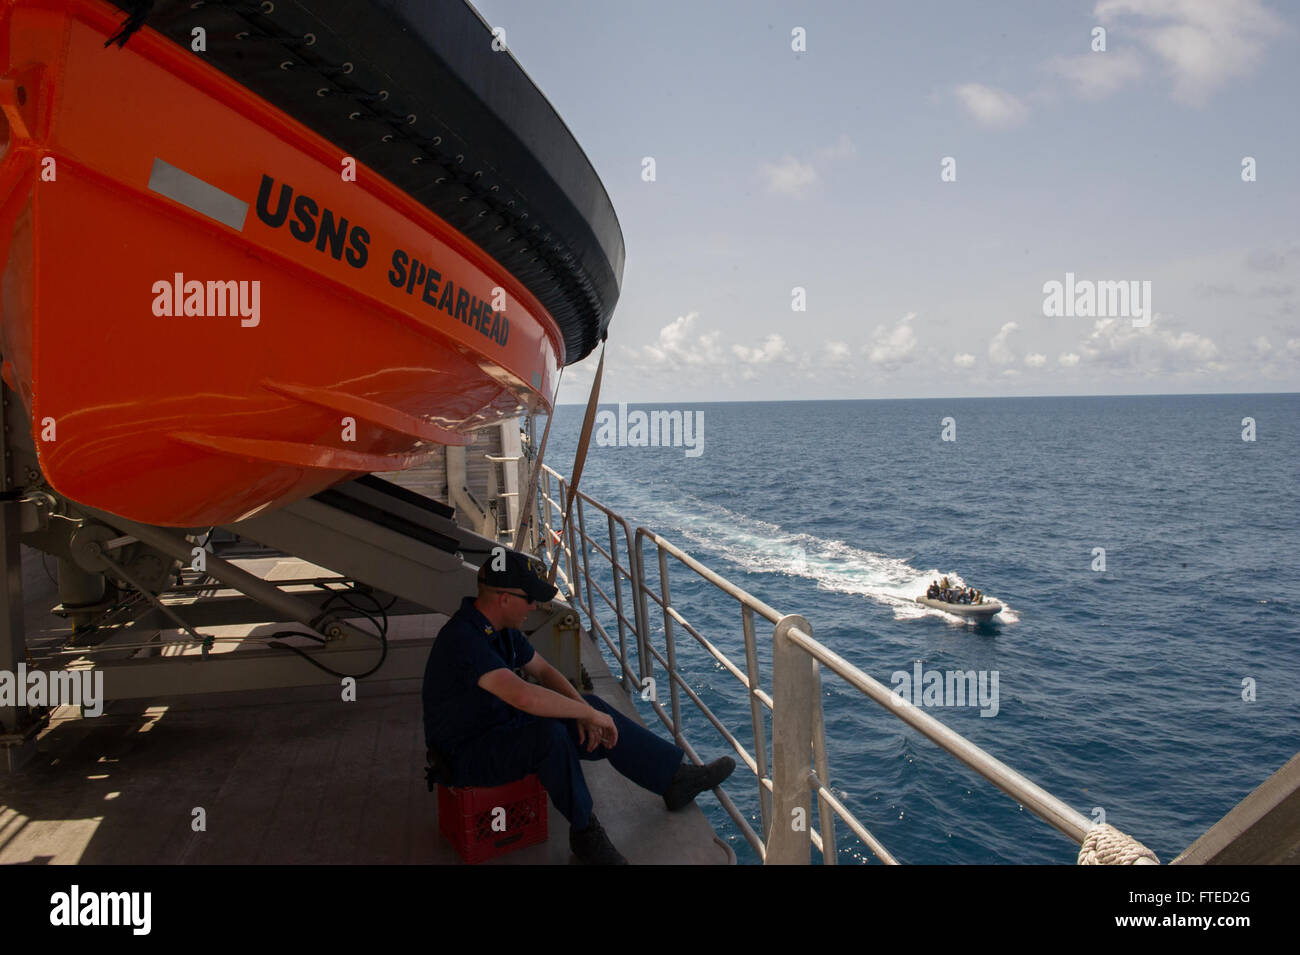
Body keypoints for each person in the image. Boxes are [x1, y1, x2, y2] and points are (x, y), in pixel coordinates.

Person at [422, 549, 735, 865]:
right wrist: (587, 715)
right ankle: (585, 835)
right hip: (465, 755)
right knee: (549, 736)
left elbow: (544, 672)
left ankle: (673, 780)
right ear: (504, 598)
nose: (534, 606)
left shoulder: (501, 631)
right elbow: (524, 696)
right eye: (529, 598)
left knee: (590, 705)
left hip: (498, 730)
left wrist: (585, 711)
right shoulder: (464, 639)